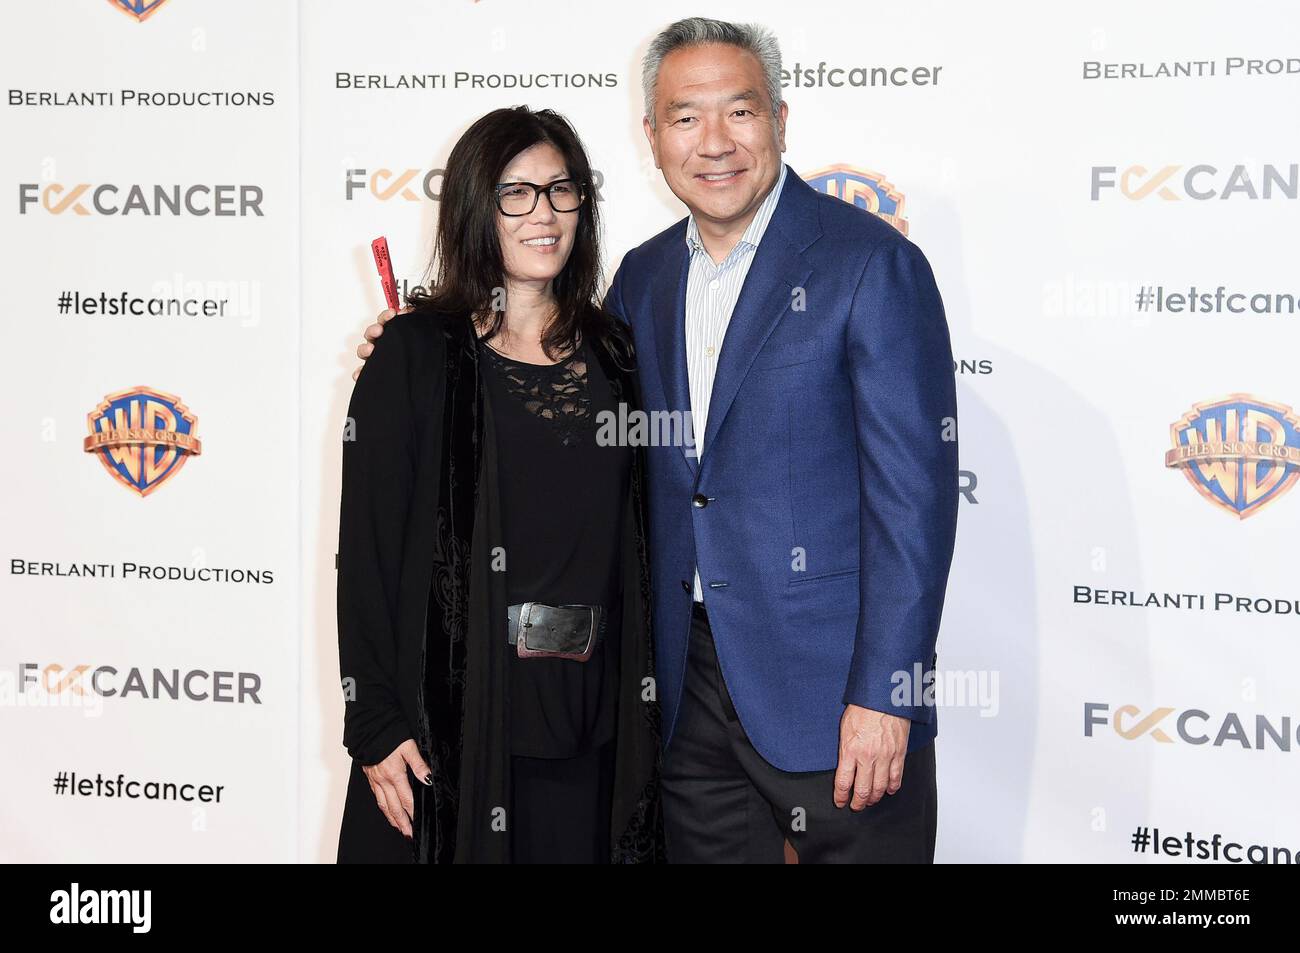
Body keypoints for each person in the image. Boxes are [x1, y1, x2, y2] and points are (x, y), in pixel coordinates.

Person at [357, 17, 958, 864]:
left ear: (780, 119)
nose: (714, 142)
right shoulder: (643, 278)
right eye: (685, 118)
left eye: (739, 112)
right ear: (651, 138)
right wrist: (415, 351)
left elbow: (915, 506)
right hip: (678, 692)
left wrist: (887, 694)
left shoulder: (870, 265)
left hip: (833, 695)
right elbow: (544, 397)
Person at [336, 106, 663, 864]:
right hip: (453, 726)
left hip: (592, 729)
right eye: (516, 193)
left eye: (561, 189)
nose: (543, 214)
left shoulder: (619, 354)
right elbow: (366, 554)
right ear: (478, 208)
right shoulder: (415, 354)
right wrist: (375, 725)